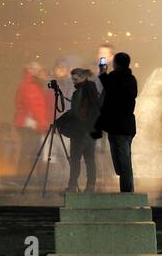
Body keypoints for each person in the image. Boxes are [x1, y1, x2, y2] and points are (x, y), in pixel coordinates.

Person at [93, 52, 138, 193]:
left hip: (117, 125)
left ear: (116, 64)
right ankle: (127, 188)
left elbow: (110, 87)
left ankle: (127, 192)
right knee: (122, 160)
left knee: (122, 162)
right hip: (126, 125)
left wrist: (103, 72)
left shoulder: (115, 78)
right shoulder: (131, 79)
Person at [59, 68, 100, 193]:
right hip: (90, 131)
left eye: (75, 79)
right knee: (89, 160)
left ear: (82, 78)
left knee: (76, 159)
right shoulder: (90, 90)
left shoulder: (83, 90)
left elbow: (78, 112)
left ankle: (72, 187)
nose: (73, 82)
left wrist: (62, 121)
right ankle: (90, 187)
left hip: (81, 131)